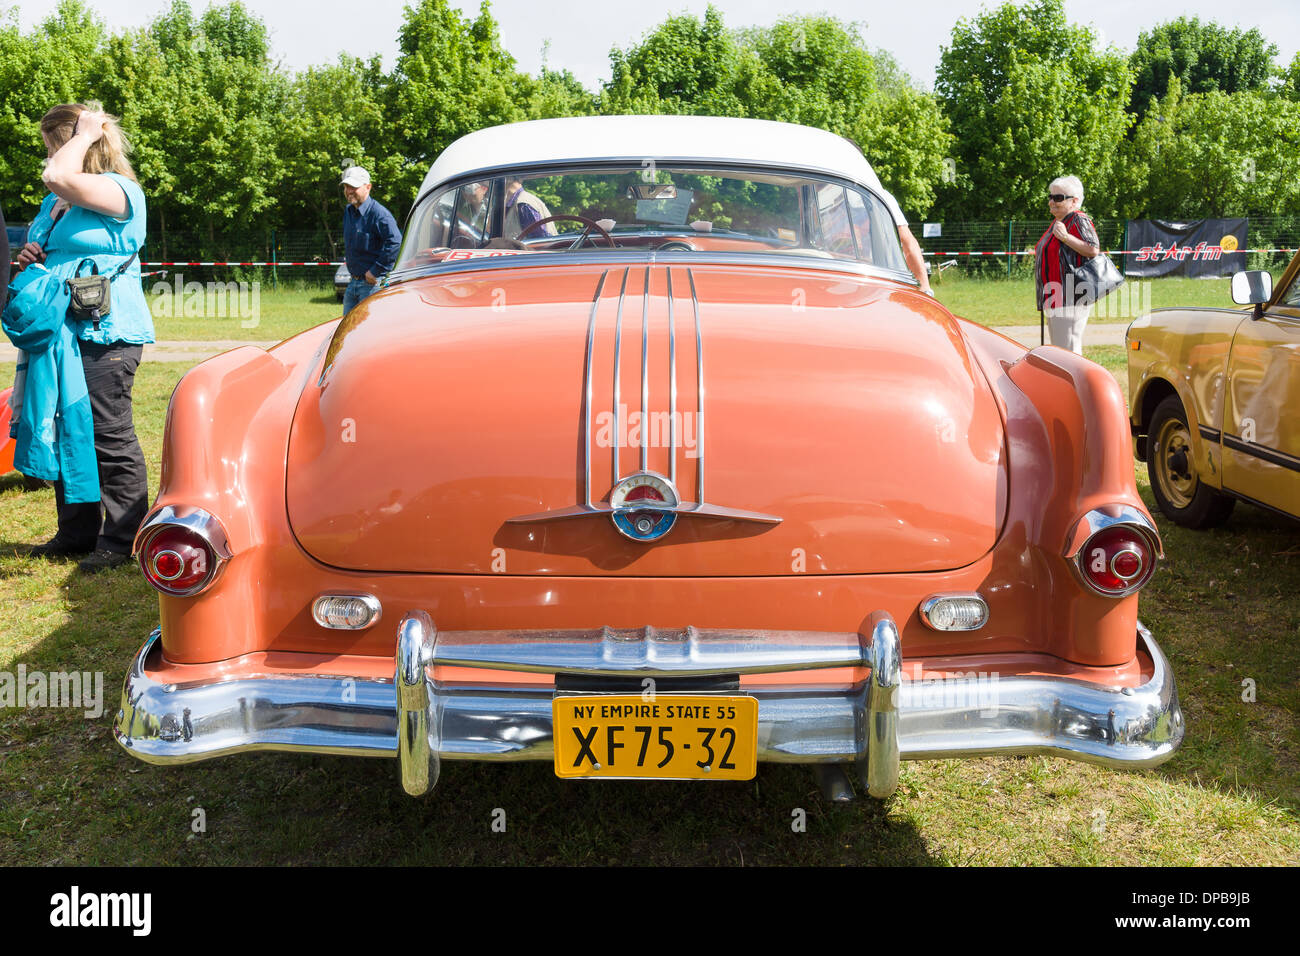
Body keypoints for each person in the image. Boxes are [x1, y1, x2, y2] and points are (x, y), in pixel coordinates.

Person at [14, 102, 152, 572]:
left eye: (54, 142)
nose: (50, 155)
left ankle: (123, 538)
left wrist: (82, 134)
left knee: (108, 434)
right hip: (60, 333)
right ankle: (76, 534)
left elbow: (57, 173)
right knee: (64, 429)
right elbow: (51, 228)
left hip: (105, 333)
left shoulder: (120, 191)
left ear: (81, 144)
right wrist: (33, 253)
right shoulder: (55, 203)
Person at [1033, 175, 1100, 354]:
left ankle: (1075, 383)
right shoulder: (1060, 221)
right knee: (1061, 351)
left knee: (1068, 350)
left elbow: (1093, 248)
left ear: (1074, 201)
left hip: (1070, 295)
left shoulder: (1078, 219)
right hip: (1056, 296)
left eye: (1058, 198)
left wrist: (1065, 237)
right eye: (1050, 197)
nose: (1051, 202)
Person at [340, 166, 402, 314]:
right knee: (346, 332)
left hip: (371, 285)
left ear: (368, 187)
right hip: (353, 283)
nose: (348, 191)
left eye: (353, 187)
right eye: (346, 187)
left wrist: (375, 270)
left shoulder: (380, 214)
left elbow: (395, 242)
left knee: (368, 334)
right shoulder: (349, 212)